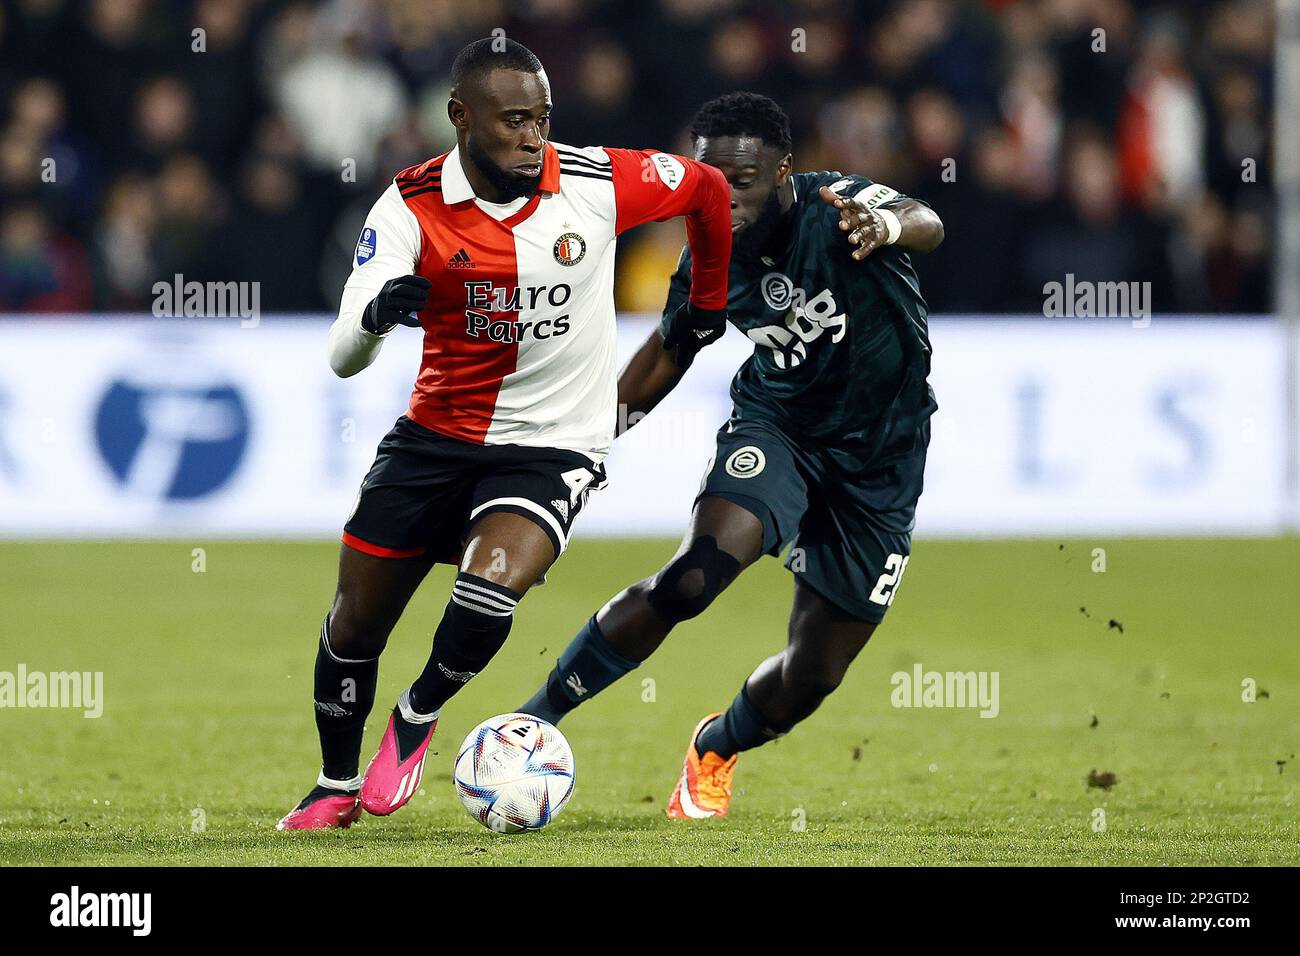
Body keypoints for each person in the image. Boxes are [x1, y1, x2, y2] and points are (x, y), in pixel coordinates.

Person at [277, 38, 731, 830]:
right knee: (354, 623)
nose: (534, 137)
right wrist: (379, 319)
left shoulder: (595, 182)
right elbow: (343, 352)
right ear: (460, 118)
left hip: (555, 442)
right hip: (434, 438)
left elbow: (709, 187)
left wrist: (708, 303)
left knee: (491, 584)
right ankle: (332, 784)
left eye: (543, 119)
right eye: (515, 120)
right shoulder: (409, 204)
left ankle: (418, 713)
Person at [518, 92, 944, 819]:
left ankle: (715, 746)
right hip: (779, 429)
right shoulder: (707, 251)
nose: (723, 198)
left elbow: (927, 222)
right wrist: (586, 441)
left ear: (783, 170)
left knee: (814, 673)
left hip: (882, 460)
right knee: (693, 577)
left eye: (741, 182)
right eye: (708, 180)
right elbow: (671, 351)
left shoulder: (840, 207)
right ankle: (531, 723)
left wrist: (890, 222)